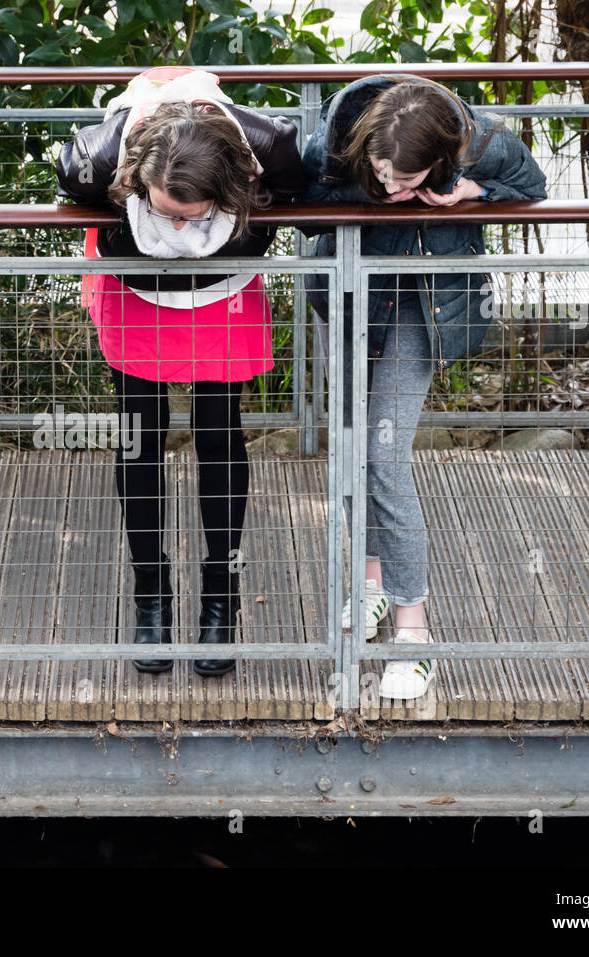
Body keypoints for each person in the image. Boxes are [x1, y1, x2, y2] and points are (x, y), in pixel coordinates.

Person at [300, 74, 547, 698]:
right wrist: (366, 201)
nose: (389, 187)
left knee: (384, 456)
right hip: (353, 292)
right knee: (352, 448)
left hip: (427, 302)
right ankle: (371, 586)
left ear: (441, 158)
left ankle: (415, 632)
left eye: (405, 180)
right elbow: (299, 201)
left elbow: (534, 186)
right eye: (379, 172)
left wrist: (476, 191)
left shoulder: (480, 141)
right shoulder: (335, 138)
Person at [55, 67, 302, 677]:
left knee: (219, 437)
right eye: (167, 212)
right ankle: (152, 600)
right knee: (140, 440)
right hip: (136, 294)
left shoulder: (265, 148)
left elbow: (312, 189)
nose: (181, 227)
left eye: (196, 215)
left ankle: (222, 598)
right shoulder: (96, 158)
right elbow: (71, 193)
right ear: (134, 180)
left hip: (225, 291)